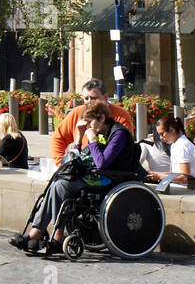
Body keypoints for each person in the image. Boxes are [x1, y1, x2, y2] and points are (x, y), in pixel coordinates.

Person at [15, 101, 140, 253]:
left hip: (112, 179)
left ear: (101, 118)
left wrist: (92, 140)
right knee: (56, 182)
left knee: (61, 185)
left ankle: (54, 235)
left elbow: (101, 163)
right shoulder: (102, 133)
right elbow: (79, 158)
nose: (88, 127)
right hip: (96, 176)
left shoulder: (118, 134)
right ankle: (37, 231)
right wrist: (79, 139)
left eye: (89, 123)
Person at [50, 79, 135, 163]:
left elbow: (108, 160)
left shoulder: (121, 116)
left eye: (93, 98)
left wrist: (93, 140)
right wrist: (61, 165)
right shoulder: (77, 113)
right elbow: (58, 138)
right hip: (86, 165)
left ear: (105, 97)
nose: (89, 102)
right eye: (86, 99)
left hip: (111, 168)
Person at [143, 115, 195, 186]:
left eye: (162, 134)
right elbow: (173, 174)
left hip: (189, 190)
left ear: (172, 130)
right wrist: (156, 174)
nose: (161, 138)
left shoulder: (182, 145)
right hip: (182, 188)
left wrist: (160, 176)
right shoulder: (175, 145)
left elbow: (185, 177)